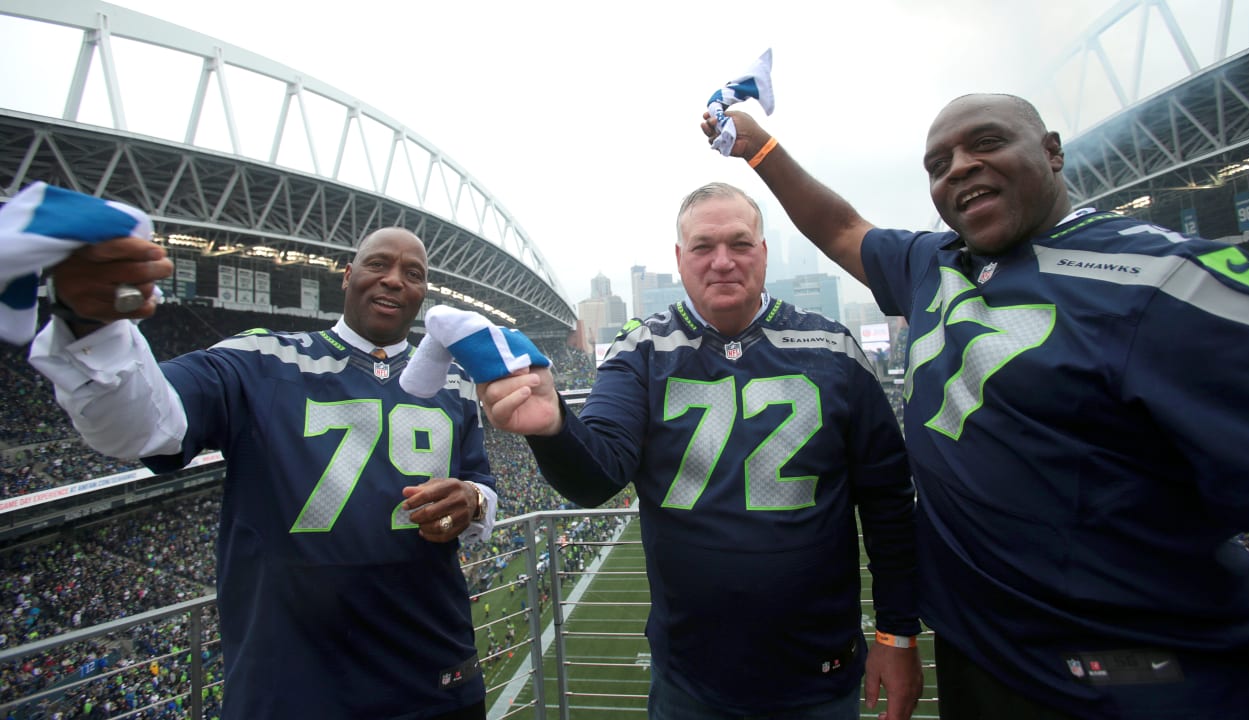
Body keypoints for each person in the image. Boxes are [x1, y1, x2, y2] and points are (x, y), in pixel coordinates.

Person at [701, 95, 1249, 719]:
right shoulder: (934, 264)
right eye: (938, 163)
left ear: (1051, 151)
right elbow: (843, 229)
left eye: (987, 143)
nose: (959, 167)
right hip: (981, 660)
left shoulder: (1172, 283)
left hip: (1139, 681)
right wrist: (756, 148)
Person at [480, 182, 923, 719]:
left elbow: (888, 501)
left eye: (739, 244)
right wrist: (552, 429)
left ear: (762, 252)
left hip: (819, 672)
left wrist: (898, 633)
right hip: (691, 677)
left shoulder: (833, 347)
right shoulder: (641, 350)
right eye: (703, 247)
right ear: (679, 258)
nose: (722, 262)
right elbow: (597, 475)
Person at [28, 226, 499, 720]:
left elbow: (482, 488)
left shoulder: (455, 381)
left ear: (424, 293)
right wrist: (94, 325)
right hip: (291, 686)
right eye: (378, 264)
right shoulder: (260, 358)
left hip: (436, 678)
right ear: (348, 275)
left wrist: (473, 499)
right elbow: (146, 425)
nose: (395, 280)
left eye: (413, 274)